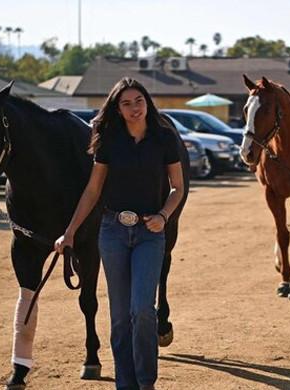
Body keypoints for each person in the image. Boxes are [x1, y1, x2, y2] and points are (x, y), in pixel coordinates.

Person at [55, 77, 184, 390]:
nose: (134, 108)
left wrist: (164, 216)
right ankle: (125, 385)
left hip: (150, 233)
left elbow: (178, 187)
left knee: (142, 310)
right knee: (120, 317)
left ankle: (146, 382)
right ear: (118, 107)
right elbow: (93, 190)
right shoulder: (109, 140)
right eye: (126, 103)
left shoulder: (164, 138)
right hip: (112, 232)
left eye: (138, 101)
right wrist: (69, 232)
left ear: (146, 102)